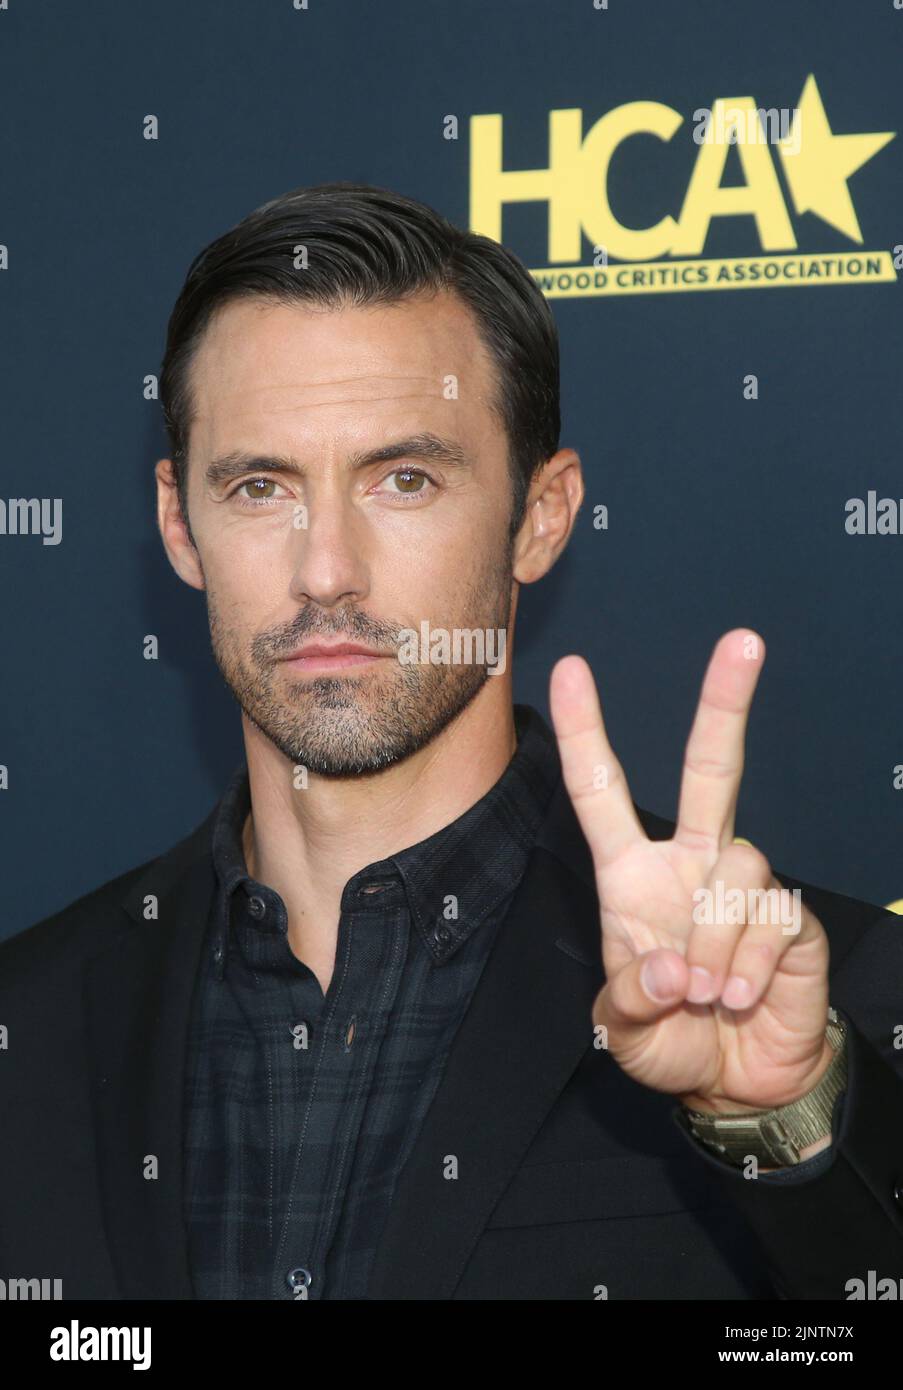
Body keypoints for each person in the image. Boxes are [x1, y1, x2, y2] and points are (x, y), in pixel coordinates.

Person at [2, 183, 902, 1301]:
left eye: (405, 478)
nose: (325, 566)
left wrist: (782, 1119)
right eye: (260, 485)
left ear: (542, 513)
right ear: (181, 523)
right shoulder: (28, 1022)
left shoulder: (809, 999)